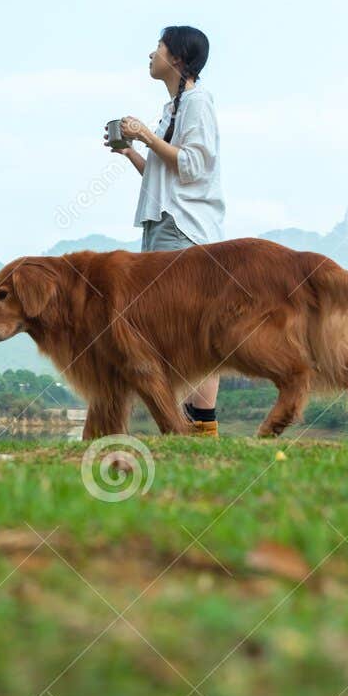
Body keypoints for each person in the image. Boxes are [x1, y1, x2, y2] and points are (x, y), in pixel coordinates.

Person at [103, 25, 225, 438]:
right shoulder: (173, 107)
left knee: (190, 327)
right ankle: (186, 424)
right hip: (162, 223)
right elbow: (163, 175)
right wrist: (131, 151)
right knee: (168, 328)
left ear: (177, 58)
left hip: (184, 228)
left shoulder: (198, 103)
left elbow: (193, 165)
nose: (150, 55)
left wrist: (147, 135)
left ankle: (202, 426)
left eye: (157, 48)